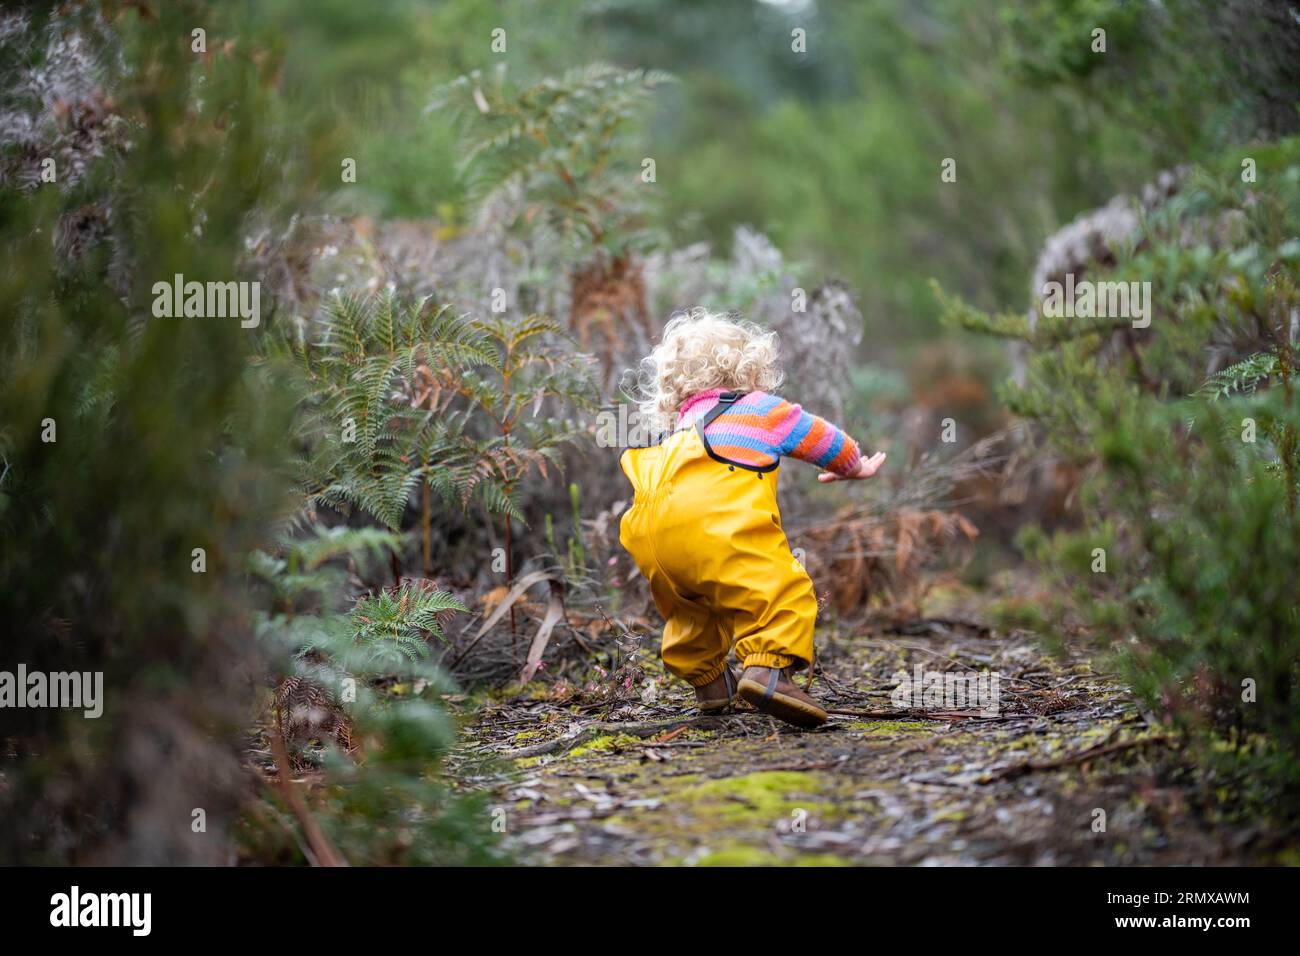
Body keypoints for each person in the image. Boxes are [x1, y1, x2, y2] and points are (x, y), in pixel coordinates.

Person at [619, 308, 886, 728]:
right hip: (716, 529)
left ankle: (709, 684)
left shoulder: (678, 430)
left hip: (652, 536)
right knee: (781, 589)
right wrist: (852, 464)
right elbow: (820, 437)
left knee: (693, 608)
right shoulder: (759, 409)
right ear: (749, 368)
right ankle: (767, 672)